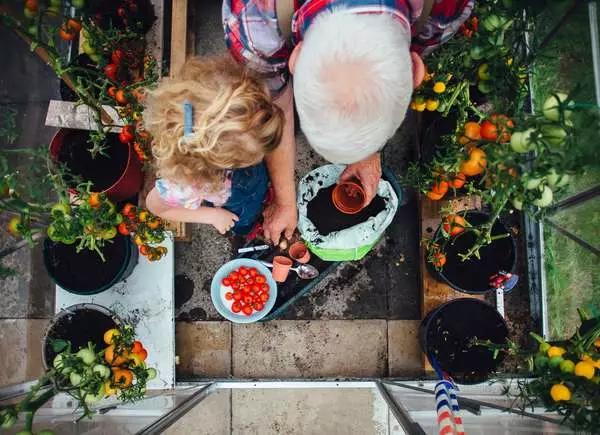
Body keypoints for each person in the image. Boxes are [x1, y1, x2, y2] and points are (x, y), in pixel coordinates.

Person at [223, 0, 474, 244]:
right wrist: (285, 201)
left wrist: (369, 151)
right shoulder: (254, 22)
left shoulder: (448, 7)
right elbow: (276, 107)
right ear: (416, 71)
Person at [142, 56, 284, 235]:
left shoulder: (232, 112)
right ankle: (249, 225)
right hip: (233, 207)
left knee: (260, 186)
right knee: (244, 222)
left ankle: (262, 196)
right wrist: (212, 216)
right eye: (252, 157)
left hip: (252, 183)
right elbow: (156, 207)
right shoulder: (184, 184)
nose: (262, 157)